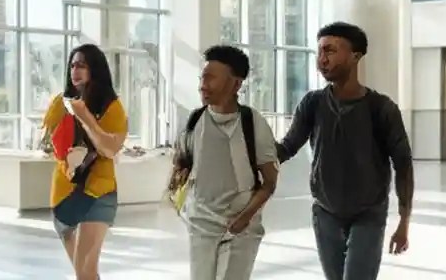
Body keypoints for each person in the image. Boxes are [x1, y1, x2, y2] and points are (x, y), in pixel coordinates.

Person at [276, 22, 413, 280]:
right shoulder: (312, 103)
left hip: (369, 212)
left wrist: (404, 222)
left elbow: (403, 165)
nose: (322, 59)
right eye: (319, 52)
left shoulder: (381, 108)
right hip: (326, 211)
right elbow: (287, 147)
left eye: (329, 51)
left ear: (355, 56)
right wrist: (250, 148)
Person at [174, 45, 279, 280]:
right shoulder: (194, 121)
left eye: (211, 78)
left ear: (236, 84)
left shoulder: (253, 123)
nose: (203, 84)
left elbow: (270, 182)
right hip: (201, 225)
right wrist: (182, 205)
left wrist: (245, 217)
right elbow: (182, 165)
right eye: (202, 77)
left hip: (241, 226)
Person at [42, 43, 127, 280]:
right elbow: (51, 144)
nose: (75, 70)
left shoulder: (111, 106)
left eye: (82, 65)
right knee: (86, 274)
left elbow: (110, 149)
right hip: (64, 192)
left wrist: (85, 117)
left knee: (84, 271)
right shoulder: (60, 102)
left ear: (95, 69)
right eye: (72, 65)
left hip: (99, 190)